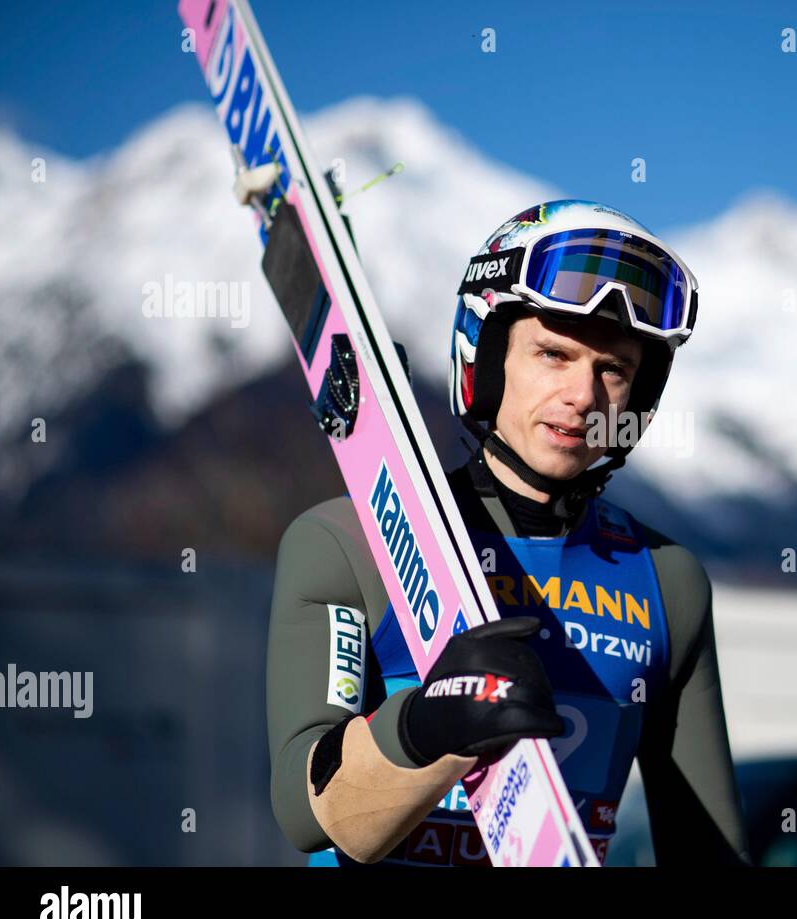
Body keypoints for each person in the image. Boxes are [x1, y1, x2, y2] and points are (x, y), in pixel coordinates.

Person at [266, 200, 749, 866]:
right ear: (487, 360)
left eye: (614, 370)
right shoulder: (351, 541)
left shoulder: (666, 580)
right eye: (553, 354)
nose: (585, 395)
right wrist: (427, 724)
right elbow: (301, 805)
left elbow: (707, 850)